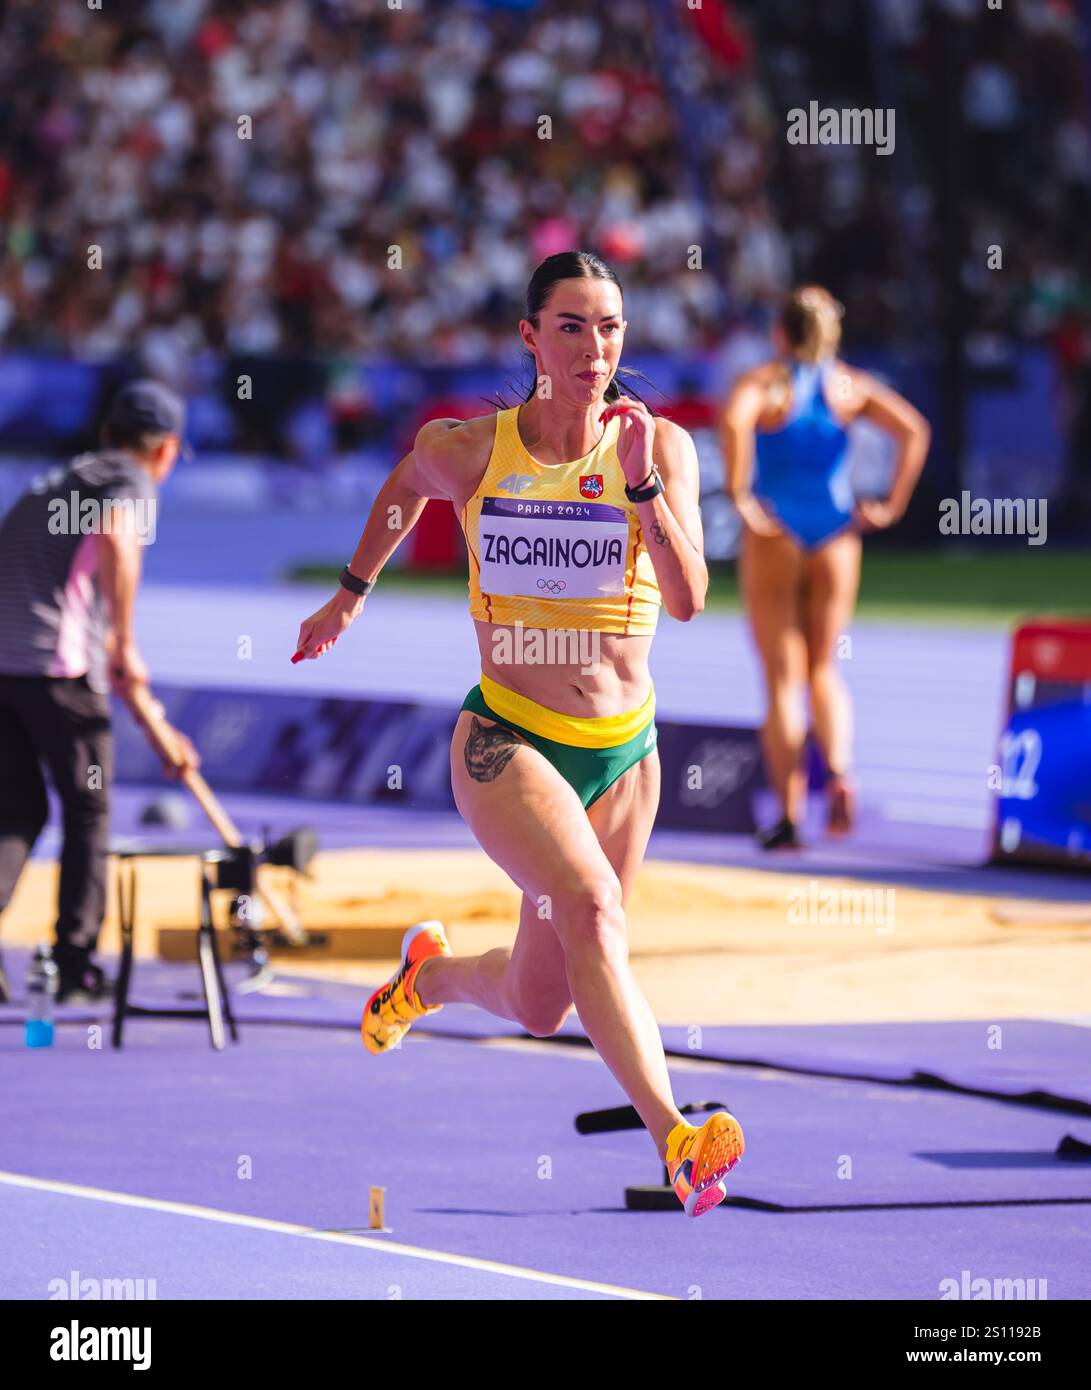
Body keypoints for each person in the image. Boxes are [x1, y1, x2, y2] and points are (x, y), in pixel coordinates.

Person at [294, 251, 744, 1217]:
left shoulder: (658, 447)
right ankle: (676, 1137)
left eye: (611, 326)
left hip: (627, 753)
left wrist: (638, 491)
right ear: (531, 337)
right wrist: (349, 594)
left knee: (544, 1005)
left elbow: (693, 599)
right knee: (590, 910)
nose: (595, 346)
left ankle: (426, 978)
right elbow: (403, 488)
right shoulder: (472, 447)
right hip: (507, 740)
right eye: (572, 325)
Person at [0, 380, 200, 1005]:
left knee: (16, 812)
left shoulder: (55, 480)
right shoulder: (129, 481)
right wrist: (123, 642)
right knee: (88, 810)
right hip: (53, 665)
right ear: (165, 450)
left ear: (110, 431)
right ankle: (74, 960)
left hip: (4, 666)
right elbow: (118, 536)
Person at [721, 286, 930, 848]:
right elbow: (914, 430)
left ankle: (788, 817)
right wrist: (890, 502)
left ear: (780, 332)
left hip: (776, 532)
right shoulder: (850, 386)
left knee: (782, 681)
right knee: (825, 669)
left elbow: (735, 421)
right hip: (836, 533)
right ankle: (837, 770)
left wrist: (740, 493)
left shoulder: (767, 384)